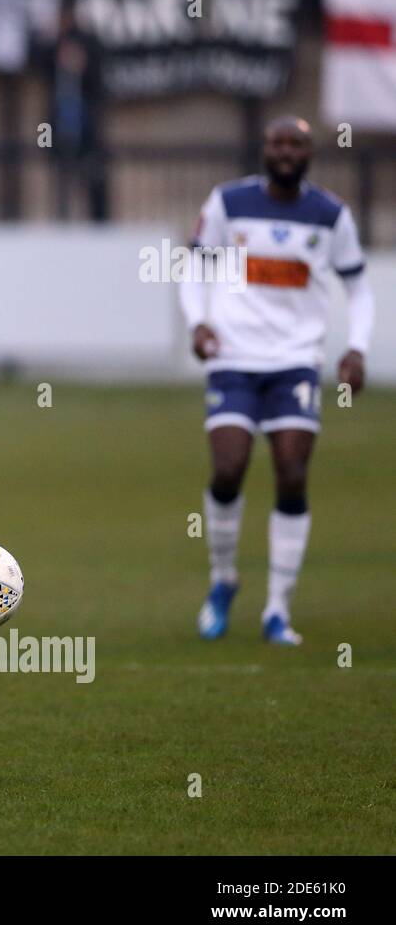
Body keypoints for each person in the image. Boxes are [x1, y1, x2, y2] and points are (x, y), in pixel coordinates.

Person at [182, 116, 374, 646]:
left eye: (296, 143)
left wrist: (356, 348)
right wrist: (198, 322)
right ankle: (223, 579)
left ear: (310, 153)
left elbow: (358, 289)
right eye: (277, 142)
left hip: (295, 362)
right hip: (234, 357)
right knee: (229, 467)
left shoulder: (331, 215)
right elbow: (193, 267)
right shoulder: (227, 202)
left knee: (291, 472)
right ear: (264, 149)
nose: (285, 151)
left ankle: (276, 610)